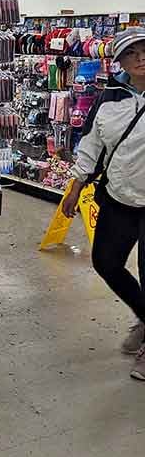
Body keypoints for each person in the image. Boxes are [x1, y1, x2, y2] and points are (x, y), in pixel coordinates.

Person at [62, 27, 145, 381]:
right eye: (132, 53)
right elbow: (92, 141)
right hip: (118, 195)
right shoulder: (110, 95)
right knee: (106, 262)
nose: (140, 57)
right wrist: (76, 184)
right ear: (121, 61)